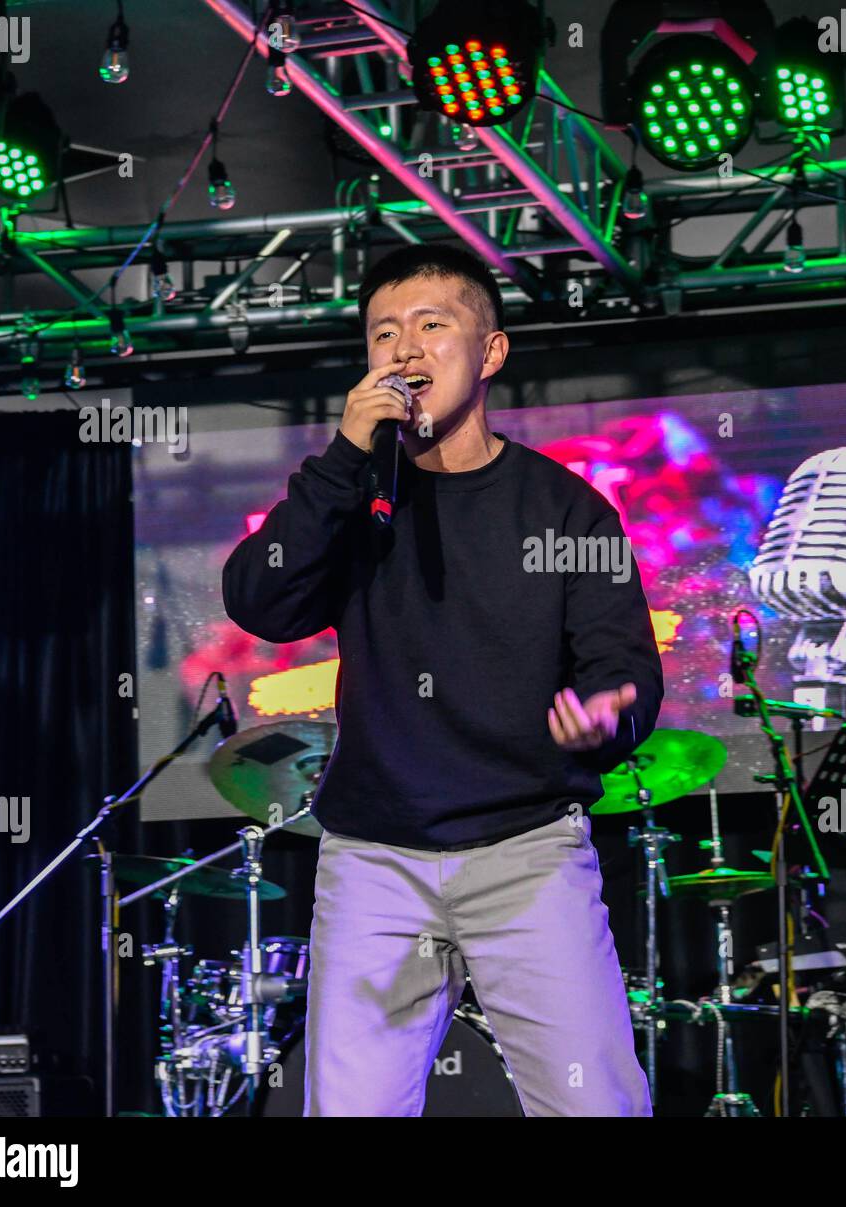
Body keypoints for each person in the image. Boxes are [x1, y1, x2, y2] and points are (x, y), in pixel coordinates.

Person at [222, 243, 663, 1117]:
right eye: (385, 333)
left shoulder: (564, 508)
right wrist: (344, 456)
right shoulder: (354, 495)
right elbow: (258, 598)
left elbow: (624, 667)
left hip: (527, 847)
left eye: (432, 325)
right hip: (376, 857)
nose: (407, 349)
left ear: (490, 352)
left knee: (596, 1104)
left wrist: (608, 712)